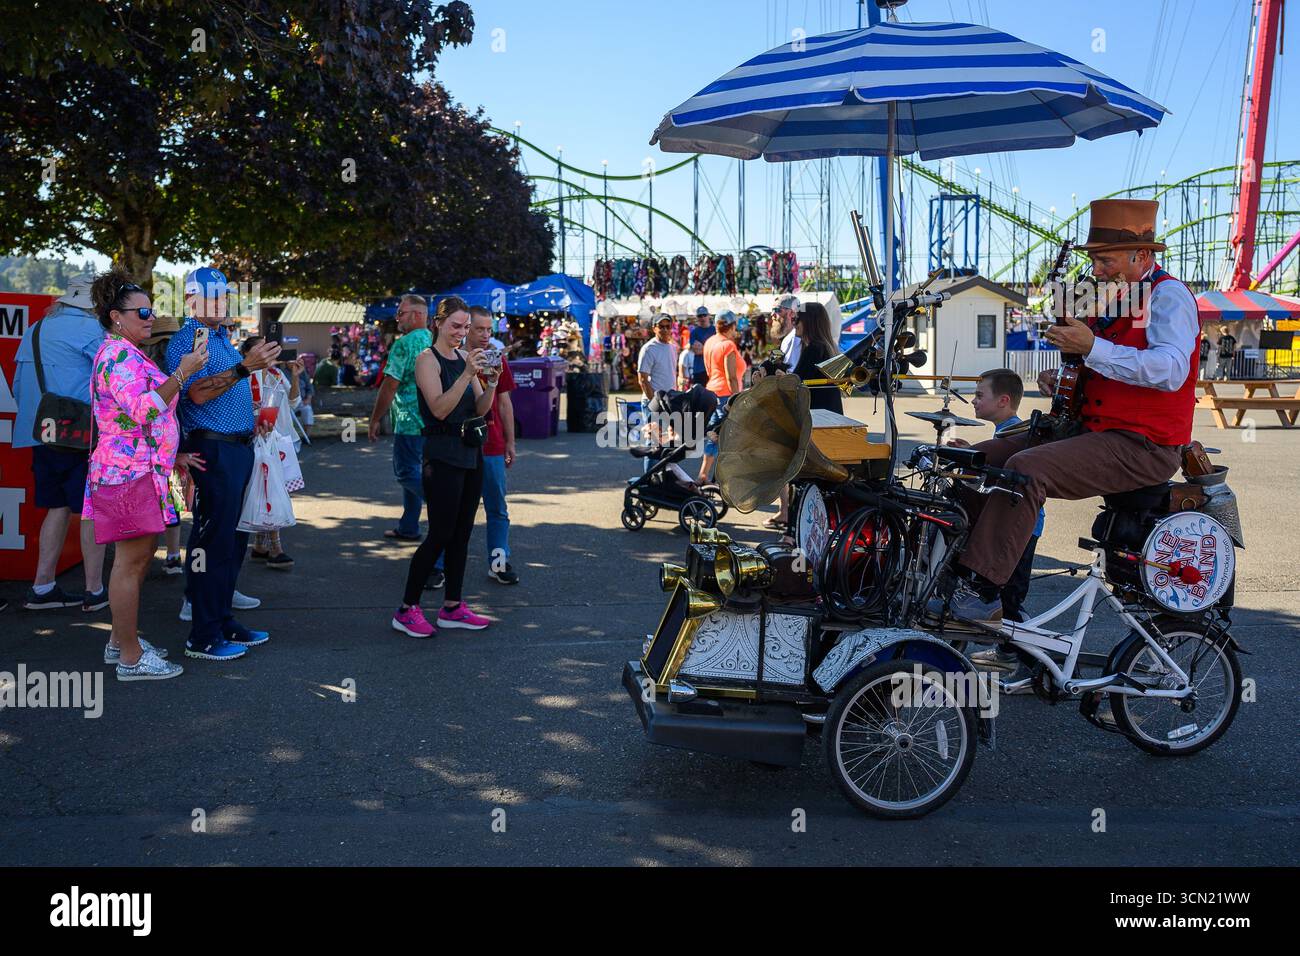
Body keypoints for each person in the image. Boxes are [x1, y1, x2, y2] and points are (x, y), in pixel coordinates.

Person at [929, 199, 1199, 649]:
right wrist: (1069, 376)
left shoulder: (1168, 295)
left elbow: (1170, 370)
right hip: (1096, 432)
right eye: (1094, 259)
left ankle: (982, 594)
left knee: (1027, 470)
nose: (1098, 268)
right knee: (971, 460)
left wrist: (1093, 349)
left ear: (1143, 256)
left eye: (1105, 259)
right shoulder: (1112, 296)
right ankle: (951, 573)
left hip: (1145, 444)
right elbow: (1104, 364)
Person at [85, 270, 208, 680]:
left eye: (151, 310)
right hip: (128, 474)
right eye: (142, 311)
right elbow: (143, 410)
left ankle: (120, 642)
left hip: (139, 471)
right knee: (130, 562)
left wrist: (173, 457)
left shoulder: (127, 352)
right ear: (116, 316)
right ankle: (131, 657)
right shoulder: (117, 356)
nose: (150, 317)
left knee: (135, 563)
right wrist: (182, 373)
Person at [166, 267, 281, 662]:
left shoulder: (217, 337)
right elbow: (195, 394)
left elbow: (220, 389)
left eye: (224, 297)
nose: (220, 303)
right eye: (211, 297)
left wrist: (251, 407)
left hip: (234, 448)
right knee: (213, 541)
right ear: (191, 300)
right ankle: (203, 633)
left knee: (233, 540)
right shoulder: (191, 338)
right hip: (213, 451)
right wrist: (246, 367)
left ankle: (221, 619)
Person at [391, 296, 497, 637]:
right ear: (438, 323)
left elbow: (479, 410)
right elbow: (439, 408)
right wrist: (467, 374)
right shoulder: (427, 360)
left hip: (470, 452)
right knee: (439, 533)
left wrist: (491, 381)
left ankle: (453, 606)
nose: (461, 333)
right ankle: (407, 608)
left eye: (466, 327)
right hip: (441, 455)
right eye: (456, 326)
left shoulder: (466, 358)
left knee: (462, 534)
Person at [12, 276, 109, 612]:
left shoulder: (36, 330)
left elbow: (17, 387)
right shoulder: (92, 331)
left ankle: (43, 586)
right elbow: (116, 376)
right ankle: (94, 591)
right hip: (81, 435)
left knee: (56, 508)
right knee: (90, 510)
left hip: (40, 432)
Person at [952, 369, 1046, 625]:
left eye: (980, 395)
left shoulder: (1017, 435)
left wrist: (973, 455)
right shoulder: (1006, 431)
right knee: (1005, 597)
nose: (974, 400)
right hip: (1015, 523)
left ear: (1003, 400)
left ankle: (1028, 656)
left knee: (1010, 602)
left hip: (1020, 526)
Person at [369, 294, 432, 542]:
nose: (397, 318)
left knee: (406, 473)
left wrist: (375, 418)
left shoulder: (403, 344)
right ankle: (408, 527)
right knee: (416, 471)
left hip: (408, 420)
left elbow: (390, 384)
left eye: (401, 313)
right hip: (432, 420)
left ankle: (443, 505)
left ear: (417, 315)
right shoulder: (433, 340)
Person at [241, 334, 305, 570]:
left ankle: (259, 544)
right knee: (271, 491)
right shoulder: (247, 376)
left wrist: (295, 377)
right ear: (248, 354)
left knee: (271, 490)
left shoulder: (278, 375)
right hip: (260, 441)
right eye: (261, 349)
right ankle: (275, 548)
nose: (267, 354)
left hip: (280, 441)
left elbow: (294, 402)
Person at [467, 305, 520, 585]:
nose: (486, 334)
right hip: (460, 445)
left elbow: (504, 402)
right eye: (479, 329)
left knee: (497, 508)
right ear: (466, 328)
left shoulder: (496, 359)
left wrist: (510, 441)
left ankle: (498, 563)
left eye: (489, 329)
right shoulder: (454, 357)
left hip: (492, 445)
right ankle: (438, 565)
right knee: (452, 509)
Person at [697, 312, 743, 483]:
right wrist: (736, 398)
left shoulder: (709, 342)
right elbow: (731, 376)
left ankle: (707, 474)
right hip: (725, 394)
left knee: (715, 434)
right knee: (719, 436)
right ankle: (706, 475)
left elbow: (709, 371)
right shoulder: (727, 345)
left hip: (712, 391)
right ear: (731, 326)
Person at [792, 301, 843, 416]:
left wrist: (778, 377)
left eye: (796, 319)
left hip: (819, 421)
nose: (794, 324)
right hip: (832, 418)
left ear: (808, 321)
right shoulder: (829, 347)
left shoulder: (815, 349)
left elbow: (795, 383)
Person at [774, 295, 802, 372]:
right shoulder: (786, 338)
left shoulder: (795, 338)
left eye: (777, 310)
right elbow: (774, 362)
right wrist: (764, 367)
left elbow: (790, 374)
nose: (773, 315)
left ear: (792, 313)